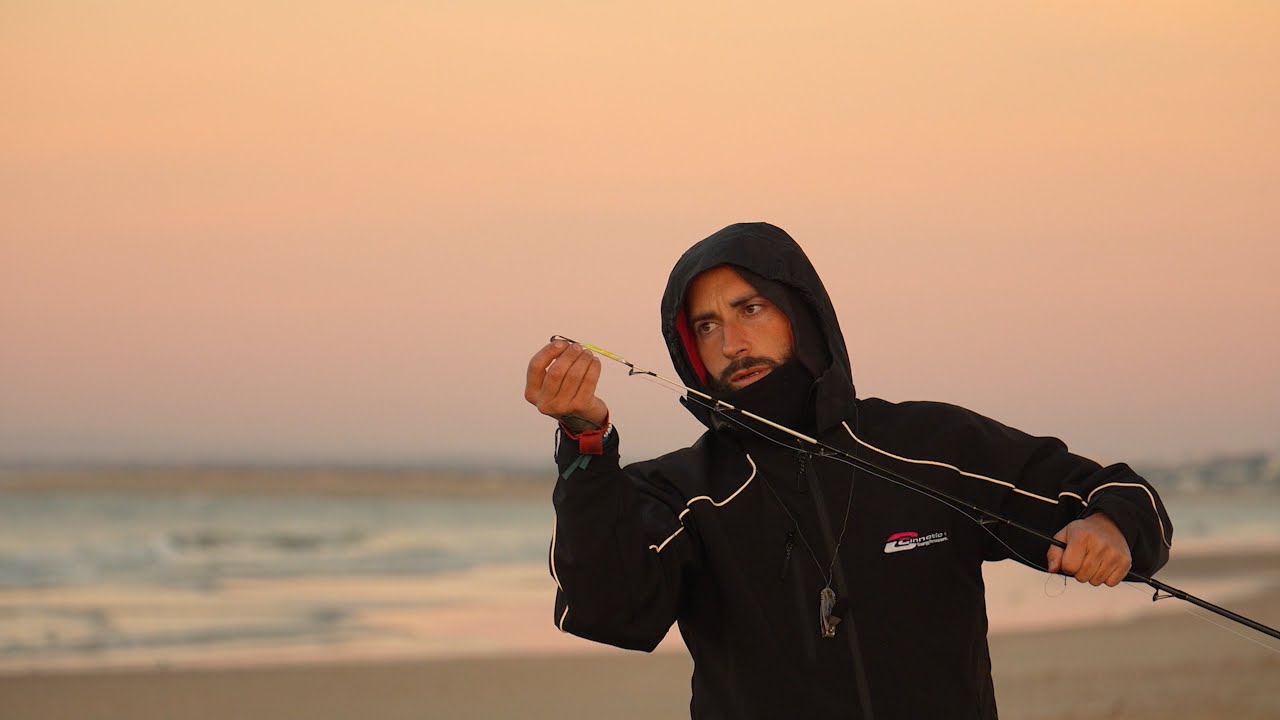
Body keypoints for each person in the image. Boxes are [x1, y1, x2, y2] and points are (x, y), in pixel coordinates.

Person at [523, 222, 1172, 719]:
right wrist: (586, 441)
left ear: (801, 314)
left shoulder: (931, 446)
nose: (732, 342)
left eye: (751, 309)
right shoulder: (683, 492)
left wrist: (1112, 528)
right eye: (707, 325)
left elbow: (1109, 490)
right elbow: (607, 607)